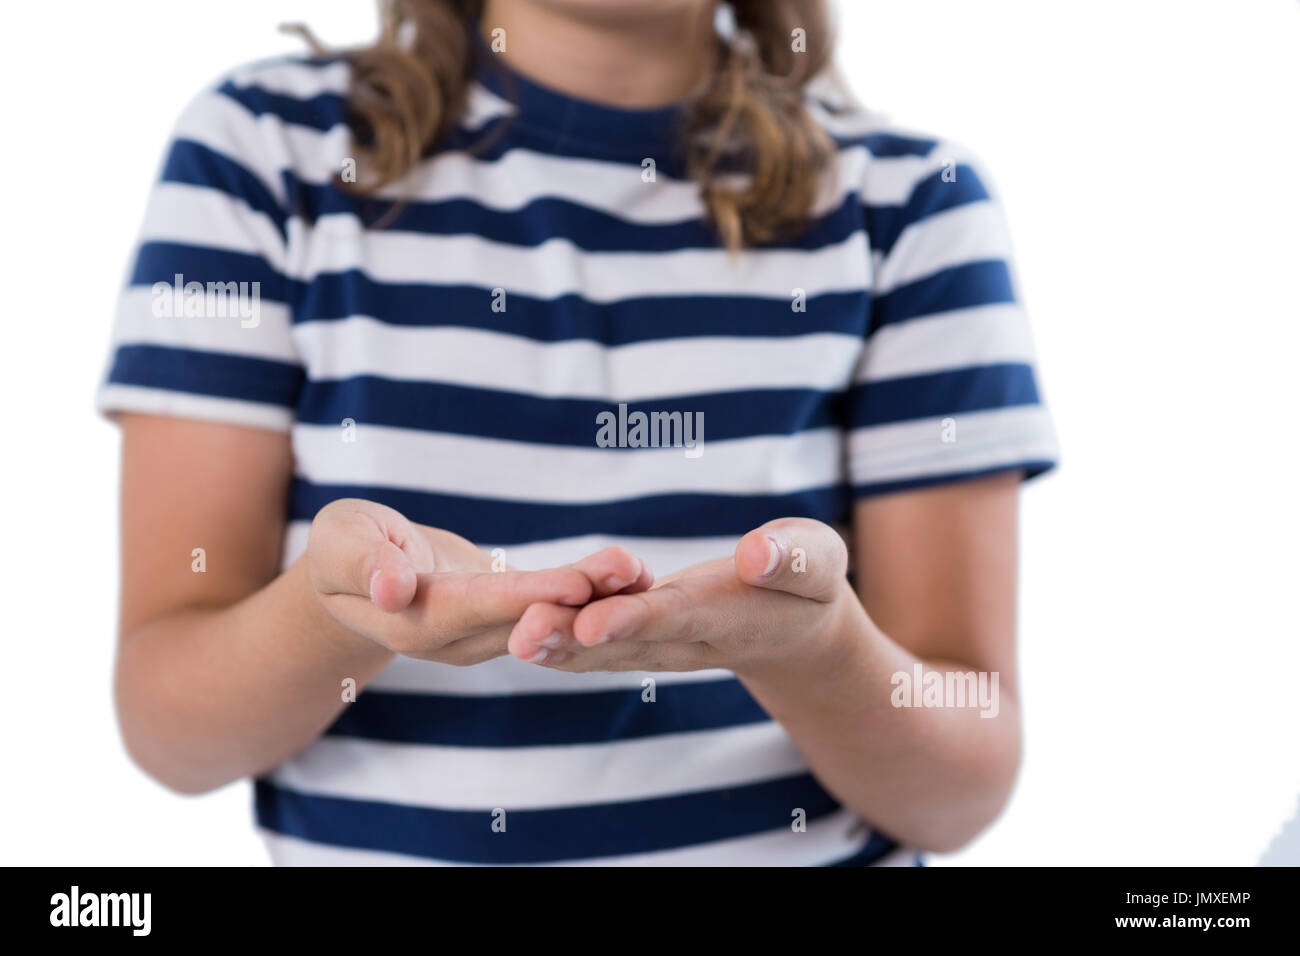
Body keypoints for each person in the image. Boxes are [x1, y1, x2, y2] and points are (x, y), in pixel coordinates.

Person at [99, 0, 1059, 866]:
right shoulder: (265, 153)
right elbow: (169, 730)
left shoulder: (909, 204)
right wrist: (334, 613)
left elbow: (960, 791)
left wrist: (818, 652)